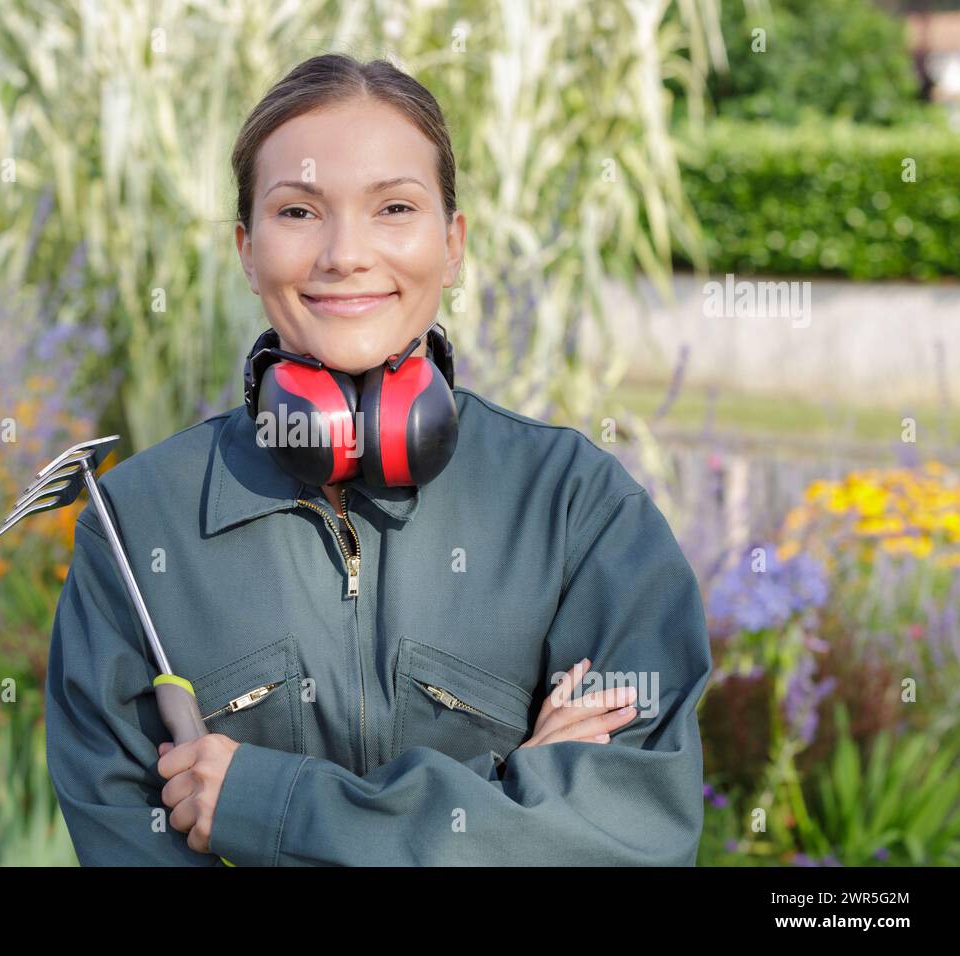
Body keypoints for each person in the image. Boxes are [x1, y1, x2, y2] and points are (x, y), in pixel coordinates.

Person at [45, 53, 712, 866]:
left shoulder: (577, 508)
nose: (345, 254)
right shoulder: (136, 526)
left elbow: (629, 835)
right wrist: (509, 802)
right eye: (298, 212)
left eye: (394, 206)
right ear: (247, 250)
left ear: (453, 243)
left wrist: (271, 806)